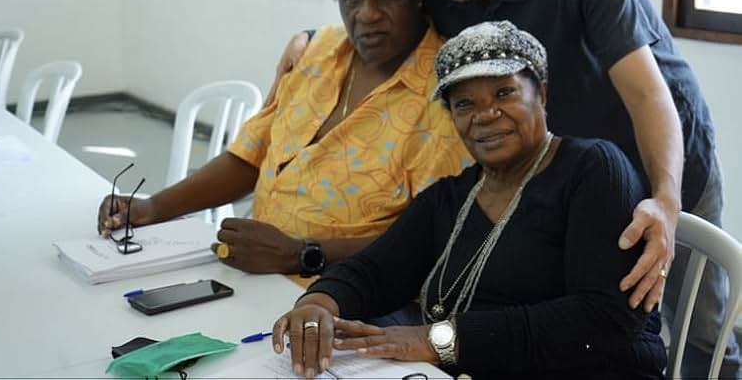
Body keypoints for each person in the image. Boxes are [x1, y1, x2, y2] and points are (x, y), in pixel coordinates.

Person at [272, 0, 738, 377]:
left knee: (696, 326)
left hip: (656, 153)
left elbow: (648, 95)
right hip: (552, 174)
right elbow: (383, 19)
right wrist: (312, 41)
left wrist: (666, 199)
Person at [274, 21, 666, 380]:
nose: (486, 115)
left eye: (504, 92)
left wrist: (437, 341)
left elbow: (603, 318)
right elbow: (374, 271)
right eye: (464, 104)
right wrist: (319, 305)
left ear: (541, 93)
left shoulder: (594, 169)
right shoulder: (453, 196)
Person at [98, 0, 470, 279]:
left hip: (344, 296)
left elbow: (433, 240)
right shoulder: (319, 52)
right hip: (254, 272)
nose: (367, 14)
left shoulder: (444, 97)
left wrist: (301, 253)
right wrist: (152, 208)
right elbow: (251, 156)